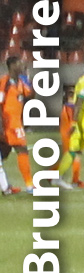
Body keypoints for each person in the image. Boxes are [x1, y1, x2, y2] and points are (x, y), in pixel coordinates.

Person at [1, 57, 31, 194]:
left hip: (16, 122)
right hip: (8, 123)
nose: (22, 65)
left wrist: (29, 80)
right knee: (22, 149)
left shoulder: (20, 82)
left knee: (4, 154)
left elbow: (30, 96)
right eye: (19, 63)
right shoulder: (4, 82)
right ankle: (30, 185)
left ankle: (5, 187)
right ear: (12, 65)